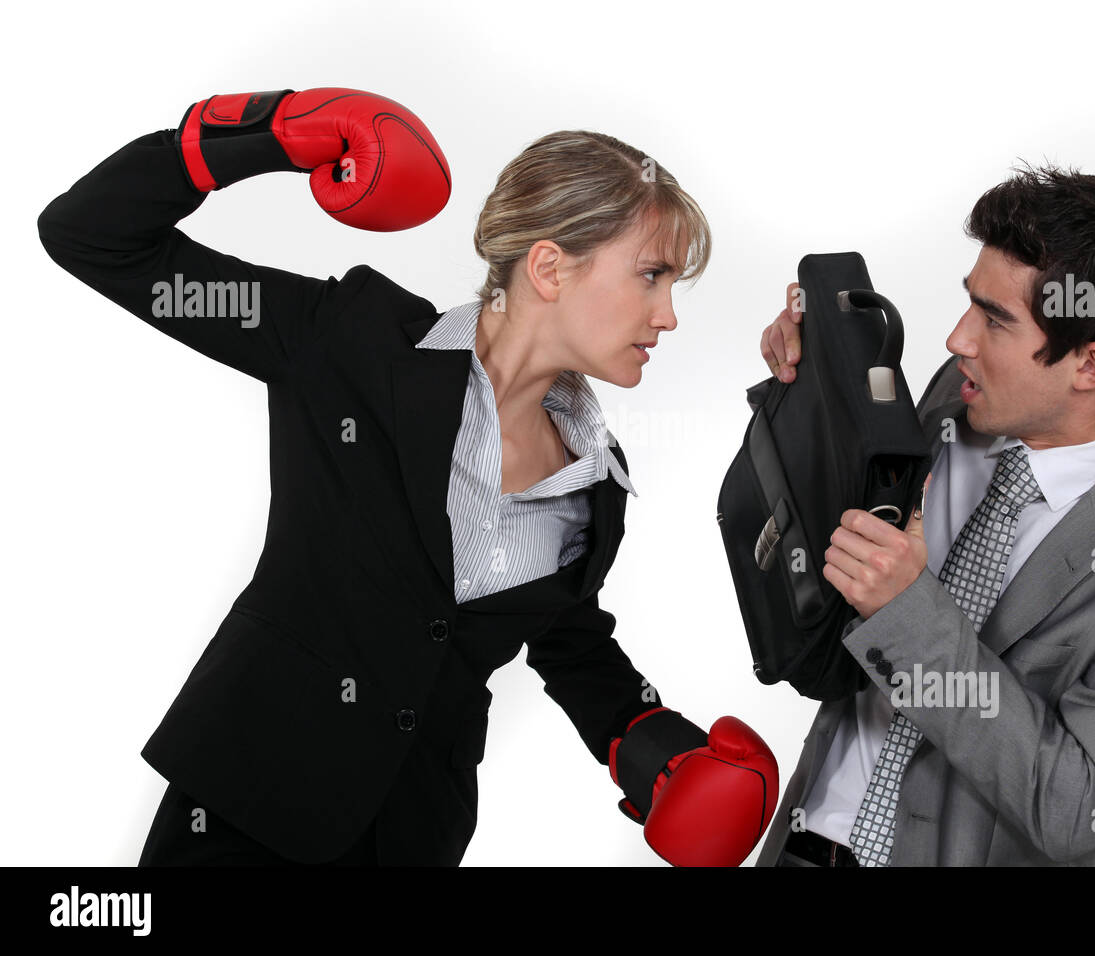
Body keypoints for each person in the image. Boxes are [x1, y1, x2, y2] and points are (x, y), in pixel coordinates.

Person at [37, 87, 777, 867]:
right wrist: (272, 132)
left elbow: (568, 642)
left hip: (414, 838)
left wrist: (657, 750)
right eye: (651, 276)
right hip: (239, 817)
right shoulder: (350, 344)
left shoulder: (593, 479)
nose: (666, 316)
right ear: (551, 267)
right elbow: (92, 236)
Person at [752, 165, 1095, 866]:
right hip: (804, 846)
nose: (958, 338)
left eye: (994, 319)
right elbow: (822, 575)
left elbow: (1074, 810)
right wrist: (805, 391)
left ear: (1090, 366)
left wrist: (910, 613)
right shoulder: (955, 401)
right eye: (972, 304)